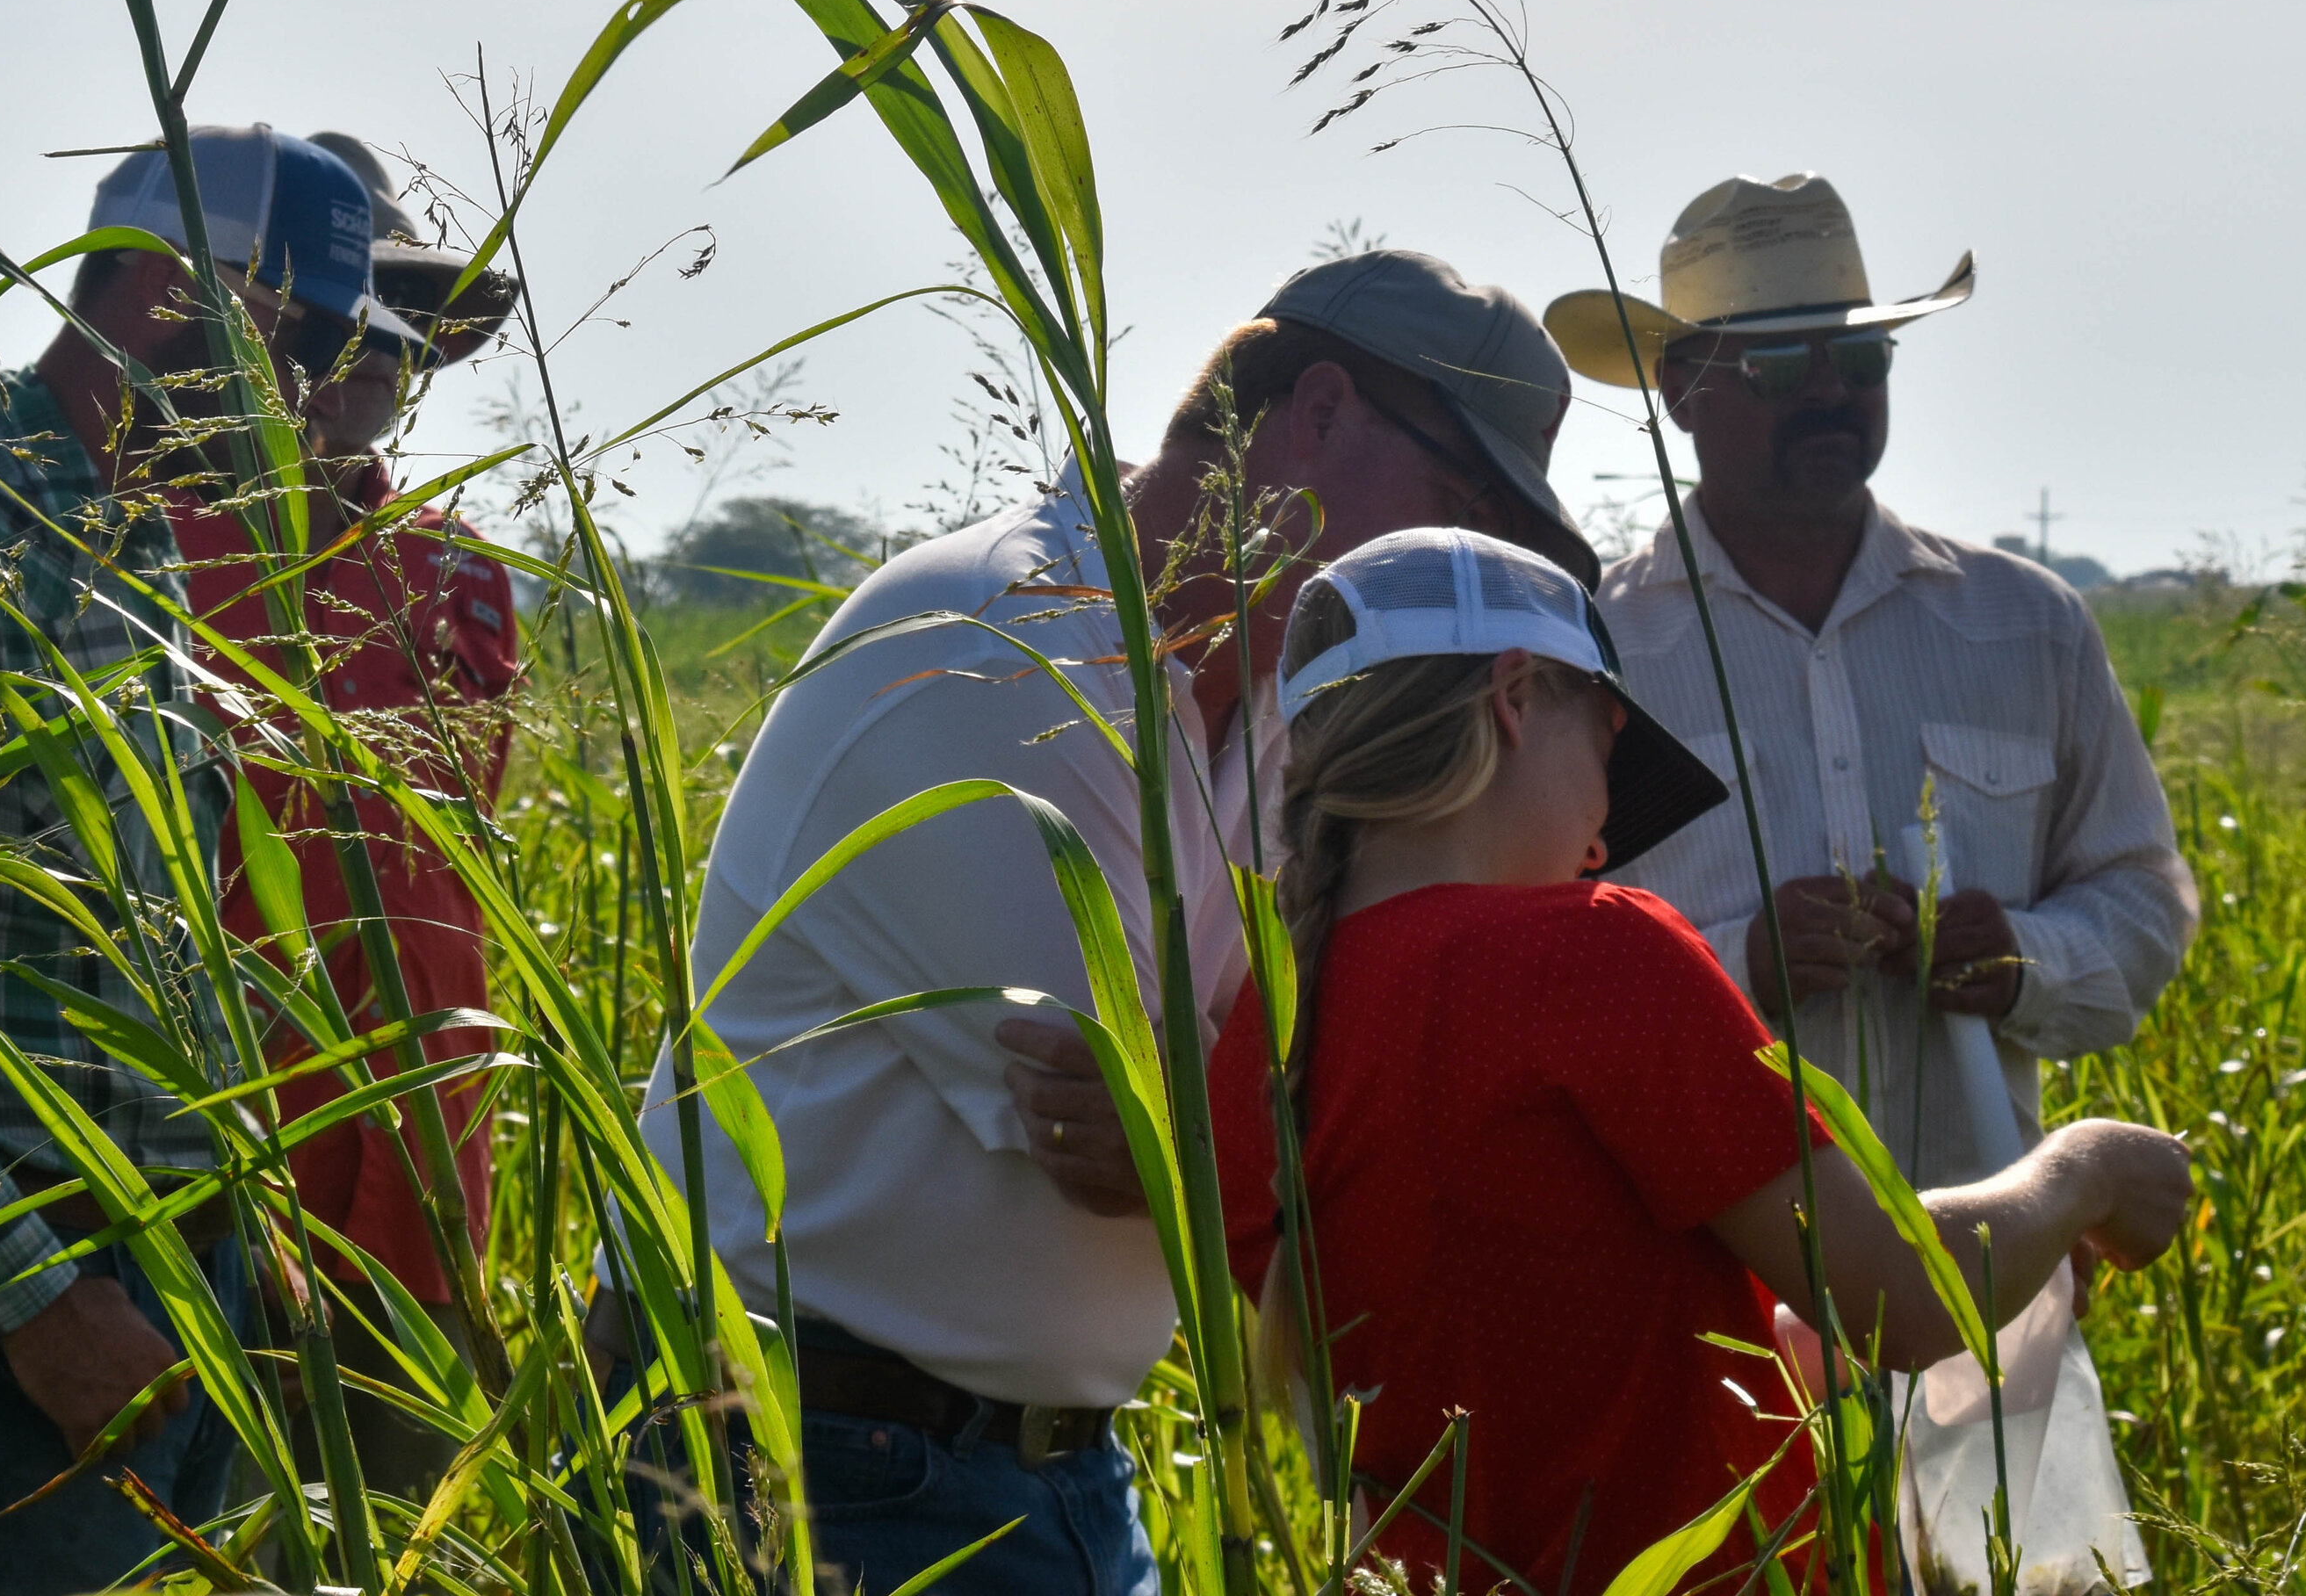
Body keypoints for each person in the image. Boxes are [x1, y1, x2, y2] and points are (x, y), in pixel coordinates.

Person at [610, 250, 1610, 1596]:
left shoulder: (1271, 704)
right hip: (815, 1466)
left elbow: (1249, 1110)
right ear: (1316, 413)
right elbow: (1143, 1134)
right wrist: (1259, 1104)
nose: (1461, 561)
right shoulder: (996, 643)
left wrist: (1245, 1102)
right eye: (1461, 501)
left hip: (1043, 1466)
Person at [1208, 525, 2195, 1596]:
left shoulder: (1268, 1026)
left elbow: (1530, 1360)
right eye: (1607, 752)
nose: (1600, 839)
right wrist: (2085, 1173)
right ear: (1516, 697)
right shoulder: (1591, 951)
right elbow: (1904, 1302)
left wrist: (1839, 1336)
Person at [0, 125, 416, 1592]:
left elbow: (163, 936)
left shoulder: (137, 539)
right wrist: (39, 1302)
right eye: (302, 336)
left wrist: (235, 1229)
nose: (316, 390)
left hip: (175, 1278)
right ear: (178, 289)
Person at [1543, 173, 2200, 1189]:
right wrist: (1741, 964)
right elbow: (1536, 974)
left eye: (1856, 356)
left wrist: (2022, 954)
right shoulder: (1591, 652)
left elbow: (2145, 899)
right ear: (1678, 390)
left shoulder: (2026, 625)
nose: (1825, 392)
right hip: (1704, 1282)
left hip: (1986, 1256)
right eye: (1772, 366)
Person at [169, 132, 524, 1500]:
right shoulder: (134, 555)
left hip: (424, 1182)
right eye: (340, 311)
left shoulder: (457, 569)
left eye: (406, 322)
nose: (379, 345)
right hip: (210, 1187)